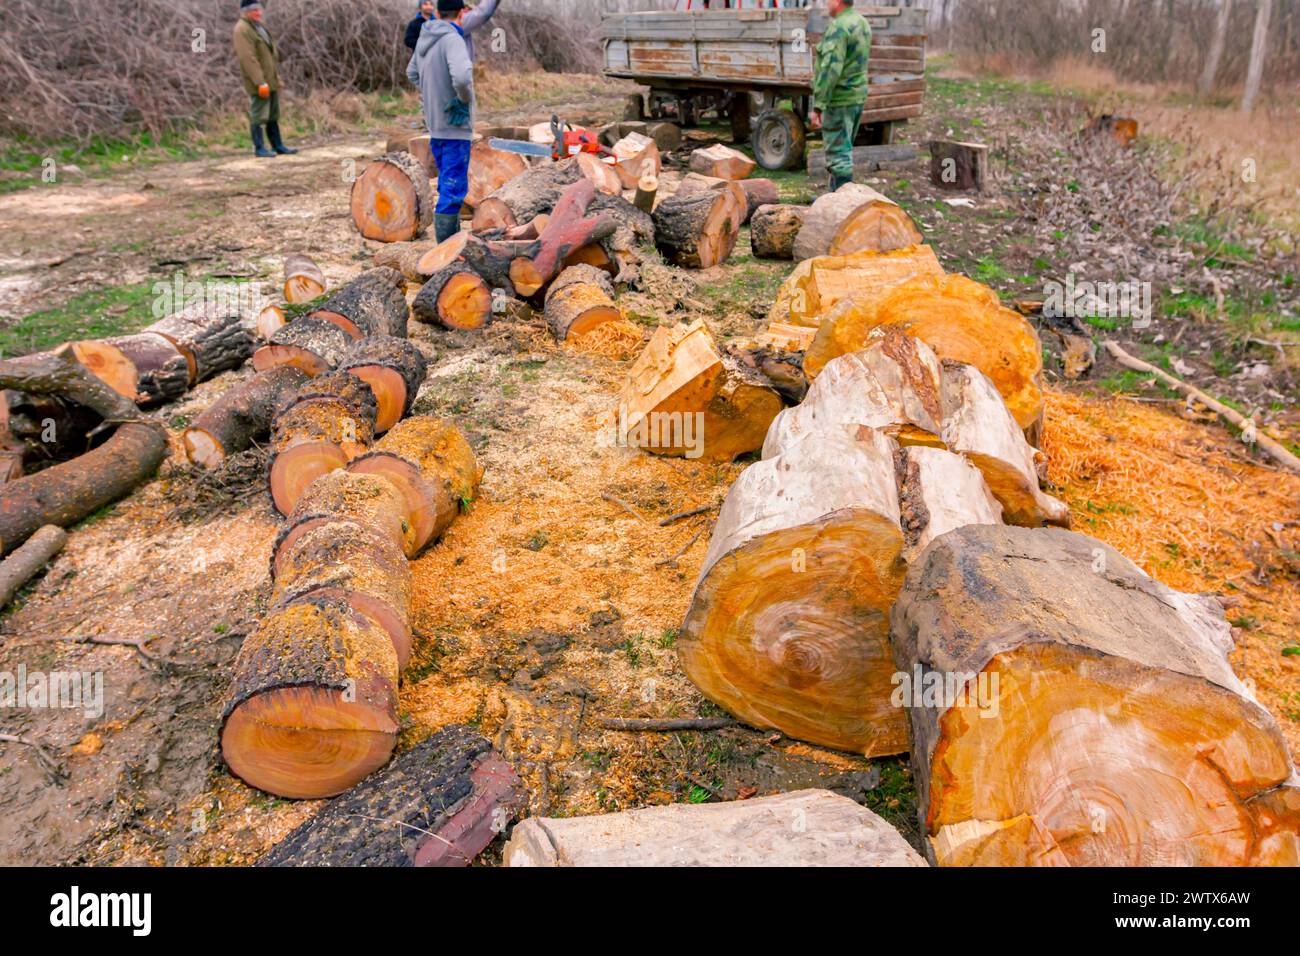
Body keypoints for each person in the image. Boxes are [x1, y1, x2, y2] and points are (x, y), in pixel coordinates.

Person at [407, 0, 476, 242]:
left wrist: (433, 95)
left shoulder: (426, 38)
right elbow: (462, 77)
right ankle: (447, 250)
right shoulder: (452, 39)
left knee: (447, 182)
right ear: (461, 13)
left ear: (438, 12)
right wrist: (461, 101)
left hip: (435, 125)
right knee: (454, 187)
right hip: (455, 127)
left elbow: (412, 73)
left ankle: (450, 243)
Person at [809, 0, 870, 192]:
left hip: (839, 99)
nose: (827, 4)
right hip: (856, 97)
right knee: (844, 149)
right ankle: (833, 198)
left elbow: (830, 69)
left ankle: (842, 205)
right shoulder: (861, 22)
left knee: (838, 156)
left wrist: (818, 105)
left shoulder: (839, 27)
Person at [233, 0, 298, 158]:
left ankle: (277, 145)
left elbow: (268, 55)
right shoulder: (242, 29)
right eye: (255, 10)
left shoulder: (257, 26)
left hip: (270, 78)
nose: (259, 13)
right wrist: (260, 82)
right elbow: (247, 58)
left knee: (273, 113)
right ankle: (259, 148)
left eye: (259, 9)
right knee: (259, 113)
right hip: (259, 80)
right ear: (246, 11)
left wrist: (275, 78)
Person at [408, 0, 501, 60]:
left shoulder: (432, 26)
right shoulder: (457, 25)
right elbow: (483, 12)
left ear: (437, 13)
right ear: (461, 13)